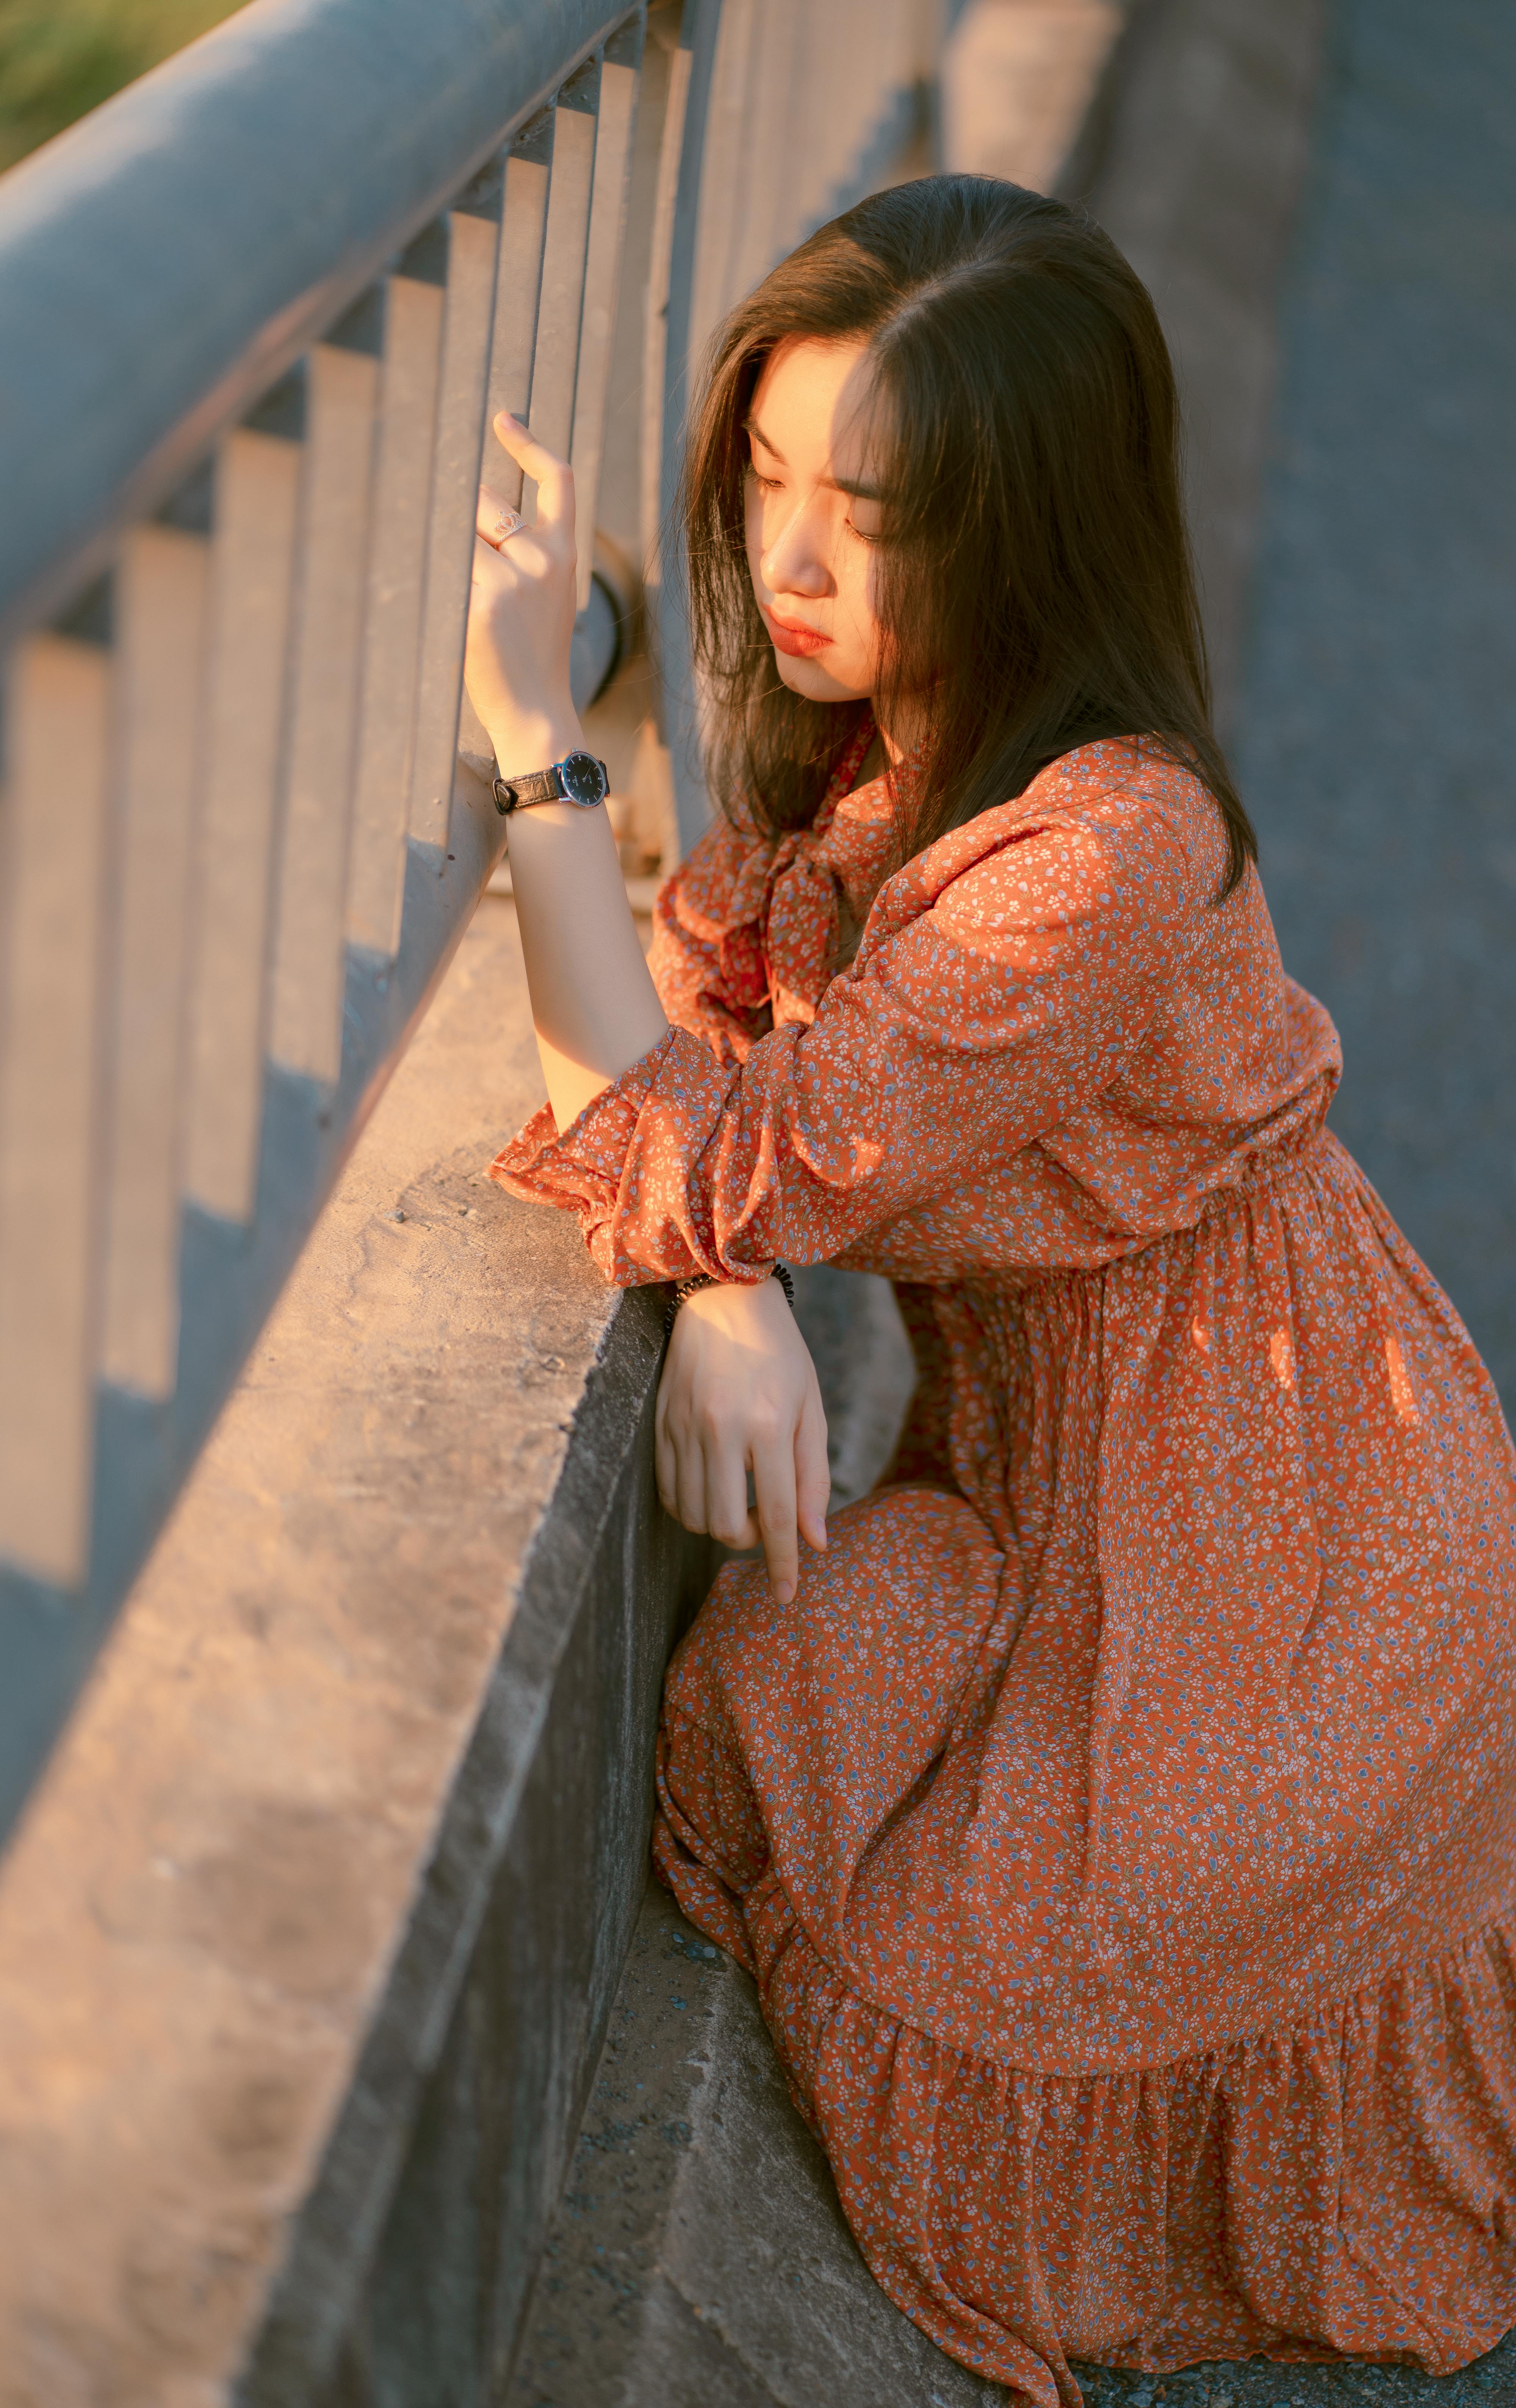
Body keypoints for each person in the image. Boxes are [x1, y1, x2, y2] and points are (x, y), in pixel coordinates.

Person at [465, 176, 1516, 2404]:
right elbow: (717, 1077)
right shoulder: (904, 743)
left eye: (877, 510)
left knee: (957, 1972)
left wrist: (540, 763)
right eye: (764, 479)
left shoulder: (1105, 851)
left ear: (1028, 523)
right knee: (787, 1686)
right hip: (1060, 1489)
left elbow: (712, 1139)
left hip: (1284, 1550)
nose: (793, 566)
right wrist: (733, 1285)